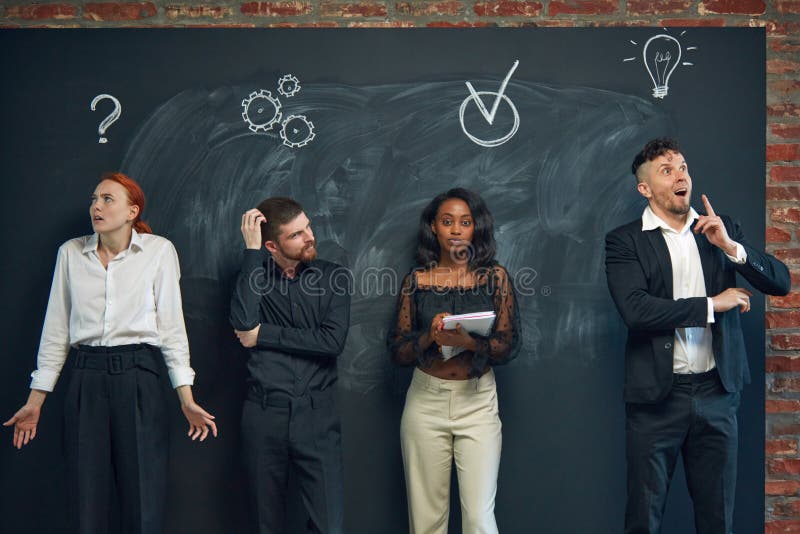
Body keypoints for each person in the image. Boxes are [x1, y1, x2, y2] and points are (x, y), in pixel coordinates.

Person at [4, 172, 218, 534]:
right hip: (86, 377)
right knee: (85, 495)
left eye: (107, 199)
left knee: (143, 494)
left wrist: (186, 398)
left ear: (132, 211)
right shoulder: (71, 253)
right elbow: (56, 331)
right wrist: (35, 400)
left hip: (140, 376)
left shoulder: (159, 251)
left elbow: (172, 330)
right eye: (93, 199)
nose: (96, 207)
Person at [605, 138, 791, 533]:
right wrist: (712, 304)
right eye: (666, 171)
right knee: (644, 516)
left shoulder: (718, 229)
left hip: (716, 394)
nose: (679, 176)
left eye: (683, 167)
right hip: (656, 400)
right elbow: (636, 311)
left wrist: (729, 245)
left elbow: (781, 283)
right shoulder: (625, 241)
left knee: (717, 517)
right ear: (645, 188)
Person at [387, 187, 520, 534]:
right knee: (427, 520)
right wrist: (430, 335)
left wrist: (470, 343)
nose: (456, 229)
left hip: (477, 401)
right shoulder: (417, 280)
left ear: (477, 227)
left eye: (465, 222)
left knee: (478, 517)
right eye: (447, 222)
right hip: (425, 402)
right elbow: (397, 351)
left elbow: (508, 346)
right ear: (434, 227)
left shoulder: (495, 277)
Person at [230, 197, 351, 534]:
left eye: (308, 227)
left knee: (329, 526)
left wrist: (264, 334)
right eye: (296, 234)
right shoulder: (253, 275)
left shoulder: (334, 277)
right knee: (264, 523)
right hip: (264, 415)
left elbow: (331, 342)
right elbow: (242, 320)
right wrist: (252, 254)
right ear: (272, 244)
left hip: (317, 416)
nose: (310, 236)